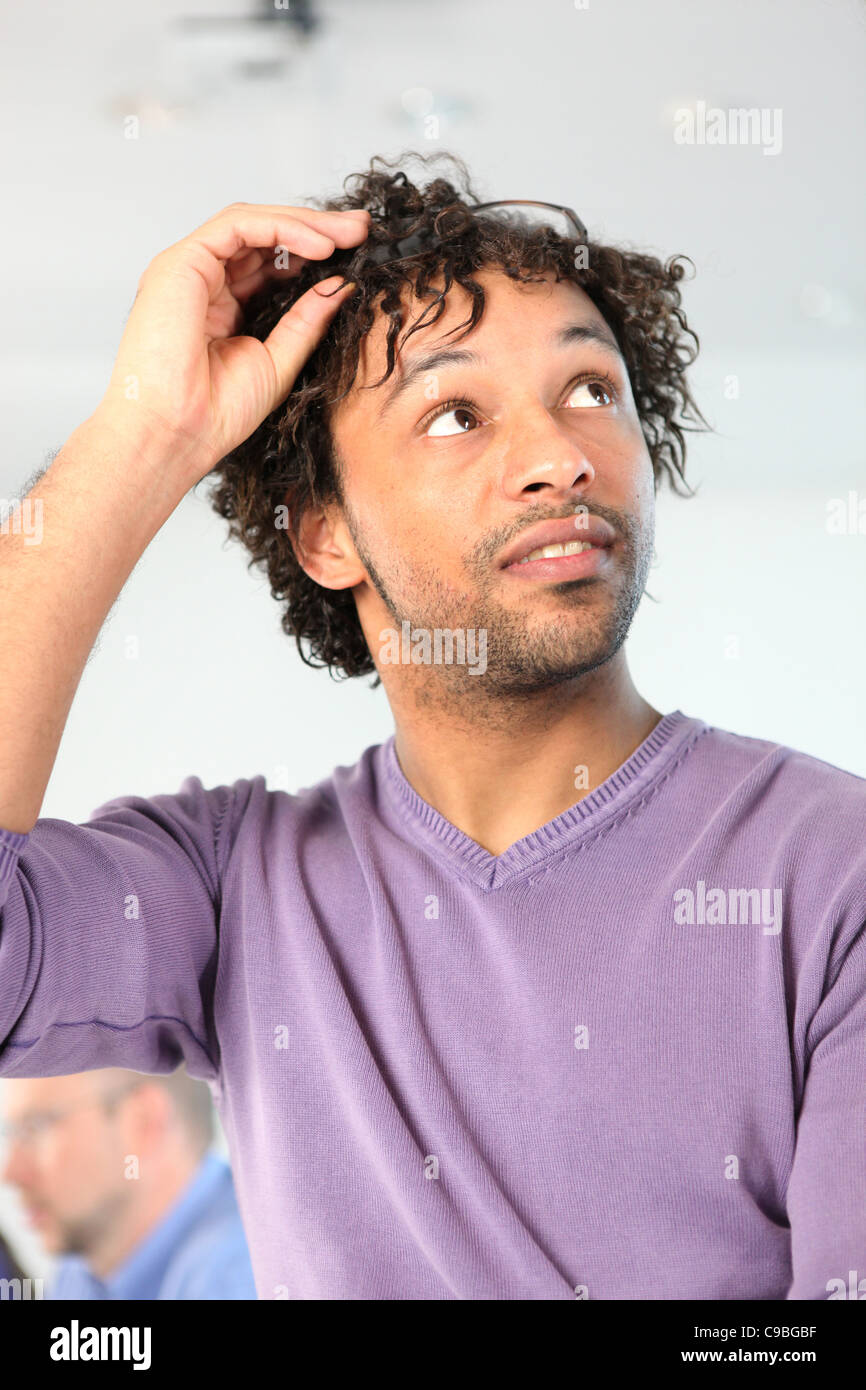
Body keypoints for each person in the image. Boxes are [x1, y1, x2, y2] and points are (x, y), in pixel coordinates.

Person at [0, 151, 863, 1300]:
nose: (559, 458)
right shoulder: (235, 889)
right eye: (456, 413)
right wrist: (145, 427)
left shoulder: (830, 870)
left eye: (590, 392)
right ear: (325, 538)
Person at [0, 1068, 256, 1299]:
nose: (10, 1173)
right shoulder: (85, 1264)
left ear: (143, 1122)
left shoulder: (237, 1278)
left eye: (36, 1129)